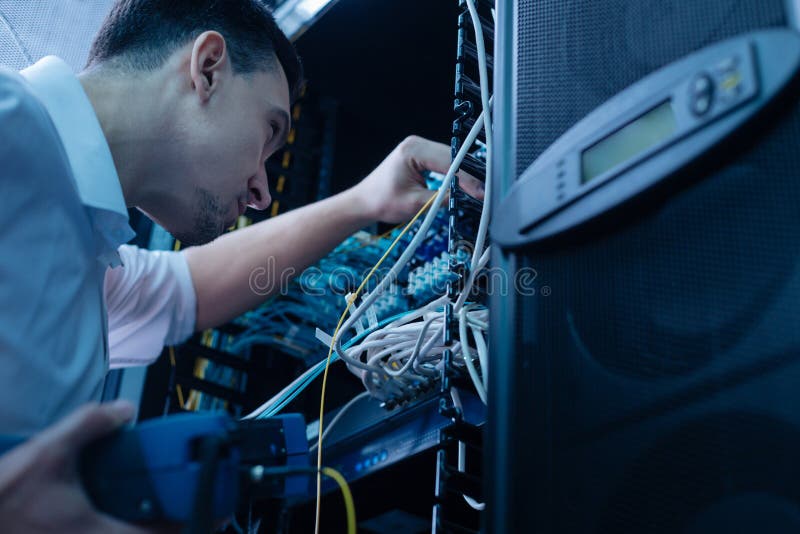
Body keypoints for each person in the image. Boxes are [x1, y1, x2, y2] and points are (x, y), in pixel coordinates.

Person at [0, 0, 482, 531]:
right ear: (207, 68)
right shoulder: (10, 122)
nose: (262, 191)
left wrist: (364, 201)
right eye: (268, 133)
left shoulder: (86, 247)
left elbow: (186, 289)